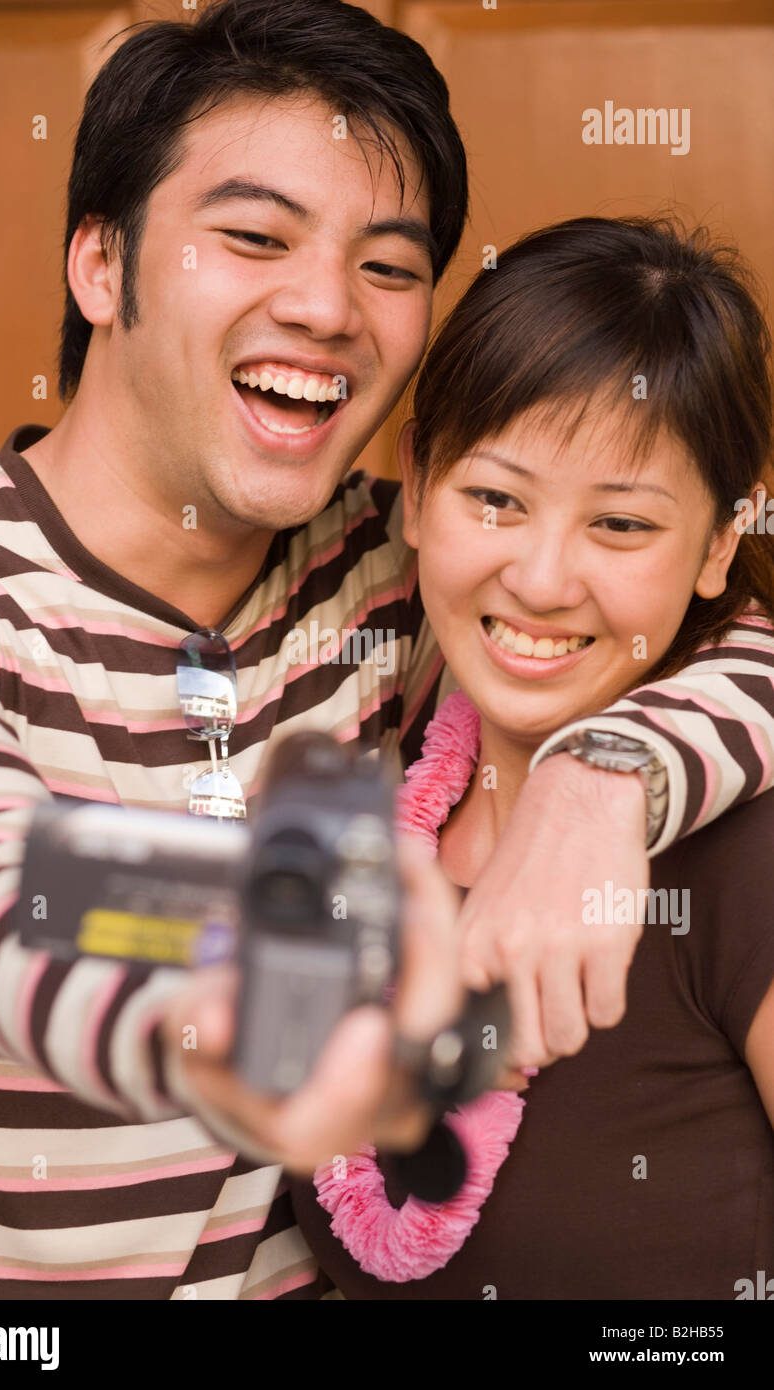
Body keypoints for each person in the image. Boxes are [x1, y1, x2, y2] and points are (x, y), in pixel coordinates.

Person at [0, 1, 773, 1301]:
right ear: (101, 263)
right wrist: (229, 999)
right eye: (252, 237)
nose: (322, 306)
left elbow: (680, 605)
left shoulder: (399, 564)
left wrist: (608, 771)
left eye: (386, 264)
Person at [289, 214, 774, 1299]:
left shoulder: (747, 849)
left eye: (620, 526)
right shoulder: (380, 773)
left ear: (715, 547)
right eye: (495, 499)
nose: (543, 580)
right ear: (415, 487)